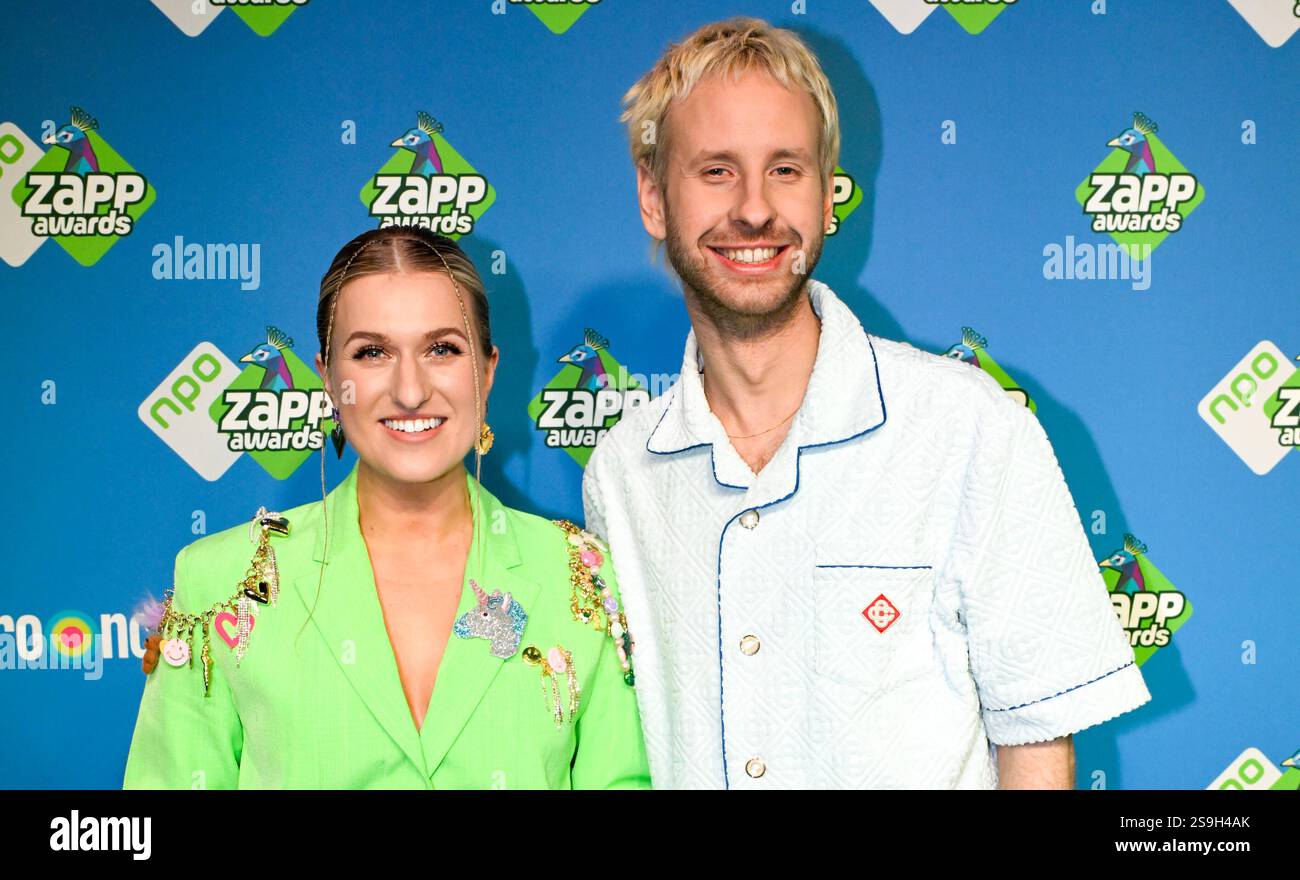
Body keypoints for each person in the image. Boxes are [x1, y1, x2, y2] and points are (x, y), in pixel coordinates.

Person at [581, 17, 1151, 789]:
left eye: (785, 169)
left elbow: (1038, 746)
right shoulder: (620, 474)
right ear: (653, 198)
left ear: (826, 194)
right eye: (716, 170)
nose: (755, 209)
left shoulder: (968, 428)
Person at [124, 226, 649, 789]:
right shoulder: (219, 581)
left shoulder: (583, 579)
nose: (409, 390)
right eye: (372, 352)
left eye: (442, 349)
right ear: (327, 376)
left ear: (489, 370)